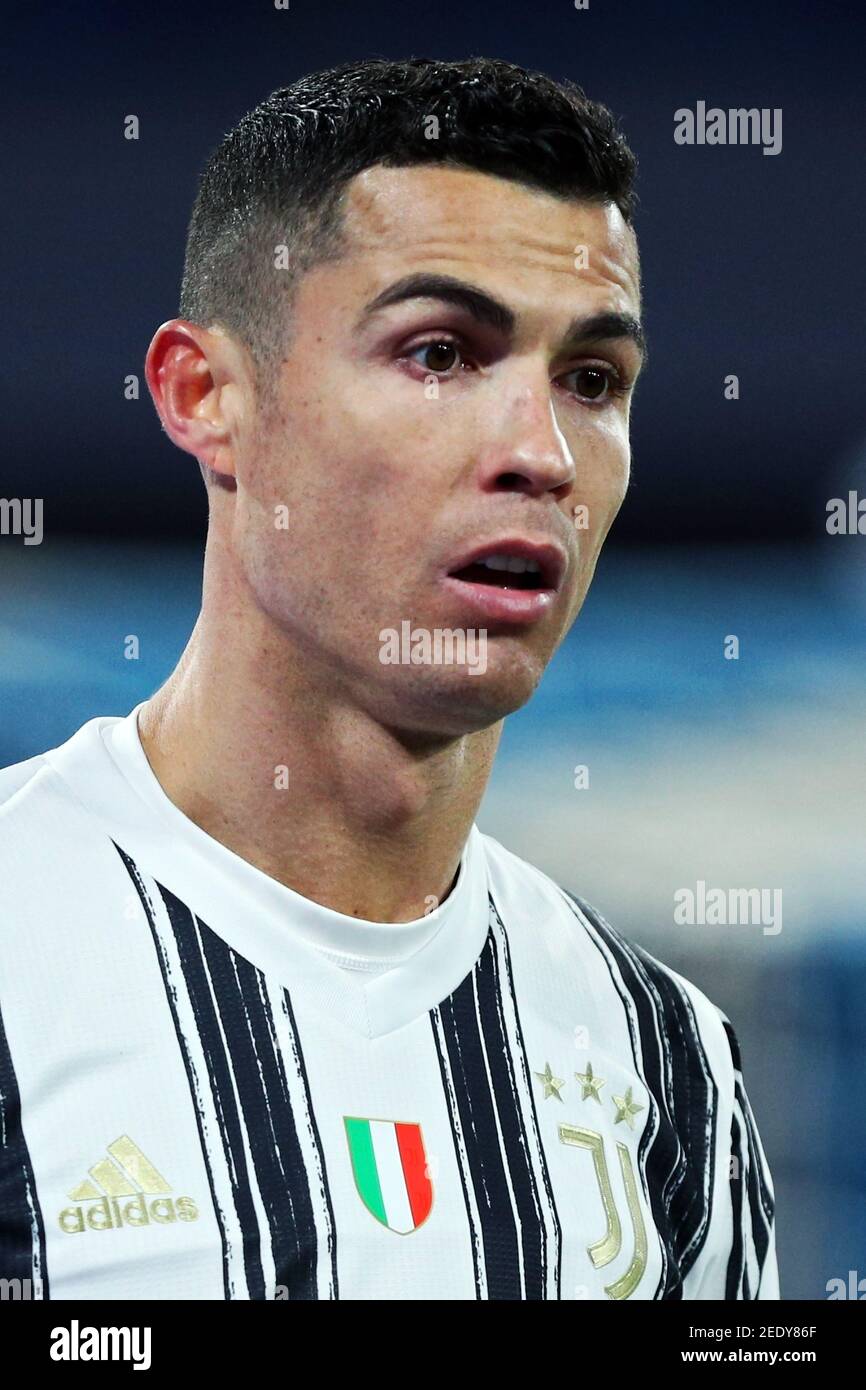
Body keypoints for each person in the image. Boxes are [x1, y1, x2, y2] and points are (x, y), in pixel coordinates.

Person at [0, 56, 778, 1300]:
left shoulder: (669, 1067)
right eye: (438, 353)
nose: (540, 453)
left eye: (591, 381)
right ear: (207, 396)